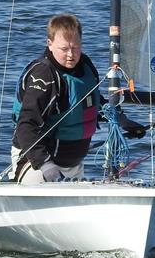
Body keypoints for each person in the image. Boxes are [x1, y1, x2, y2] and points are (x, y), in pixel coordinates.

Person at [10, 13, 145, 183]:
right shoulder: (44, 76)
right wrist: (45, 164)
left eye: (75, 48)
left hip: (74, 166)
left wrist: (121, 120)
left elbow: (93, 103)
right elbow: (26, 126)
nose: (71, 55)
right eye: (64, 49)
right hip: (37, 164)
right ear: (49, 44)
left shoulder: (85, 66)